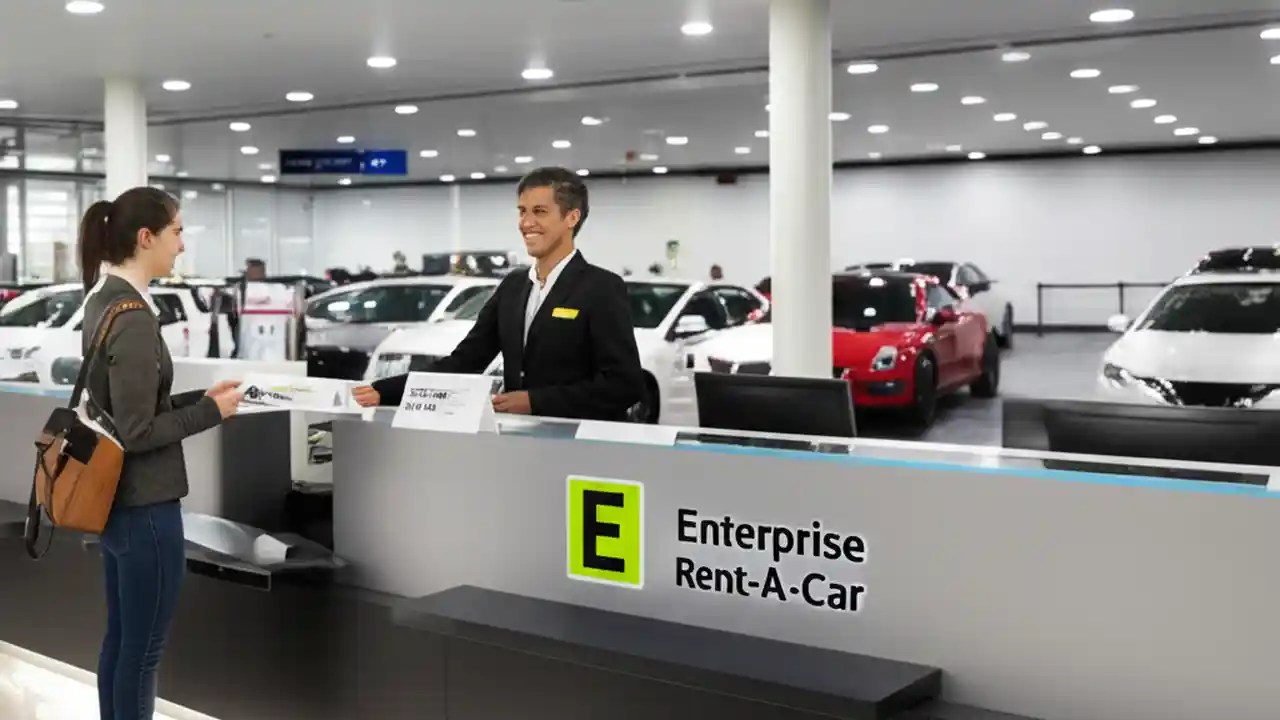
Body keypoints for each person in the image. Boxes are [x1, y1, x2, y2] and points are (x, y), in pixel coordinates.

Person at [78, 187, 243, 720]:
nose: (182, 245)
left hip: (119, 506)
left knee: (122, 642)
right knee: (141, 653)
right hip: (144, 507)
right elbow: (138, 429)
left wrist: (202, 398)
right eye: (177, 232)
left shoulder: (103, 298)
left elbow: (132, 405)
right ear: (145, 238)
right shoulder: (132, 315)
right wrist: (213, 415)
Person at [353, 167, 644, 420]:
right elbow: (464, 363)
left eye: (539, 212)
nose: (526, 222)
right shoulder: (513, 287)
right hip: (520, 441)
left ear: (572, 217)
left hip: (581, 445)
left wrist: (534, 401)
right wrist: (384, 391)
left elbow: (624, 384)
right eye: (522, 211)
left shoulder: (601, 288)